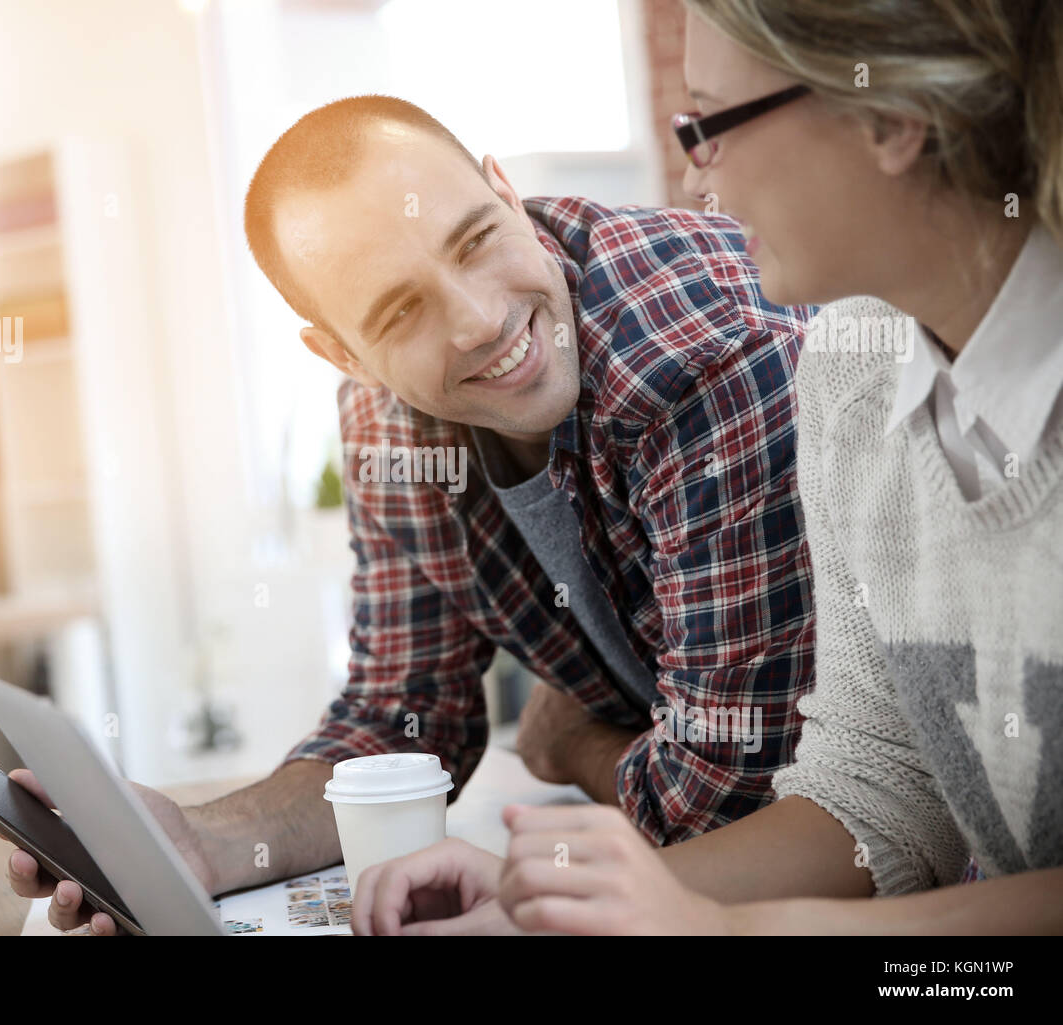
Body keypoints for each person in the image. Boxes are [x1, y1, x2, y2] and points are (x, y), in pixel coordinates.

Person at [0, 93, 819, 934]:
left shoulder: (704, 356)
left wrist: (578, 746)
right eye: (401, 309)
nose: (481, 320)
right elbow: (405, 717)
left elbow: (733, 806)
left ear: (504, 190)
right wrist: (206, 839)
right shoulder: (388, 427)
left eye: (477, 239)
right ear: (344, 353)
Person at [350, 0, 1063, 935]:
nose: (693, 177)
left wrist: (728, 931)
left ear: (889, 118)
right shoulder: (851, 371)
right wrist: (538, 900)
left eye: (708, 125)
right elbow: (876, 788)